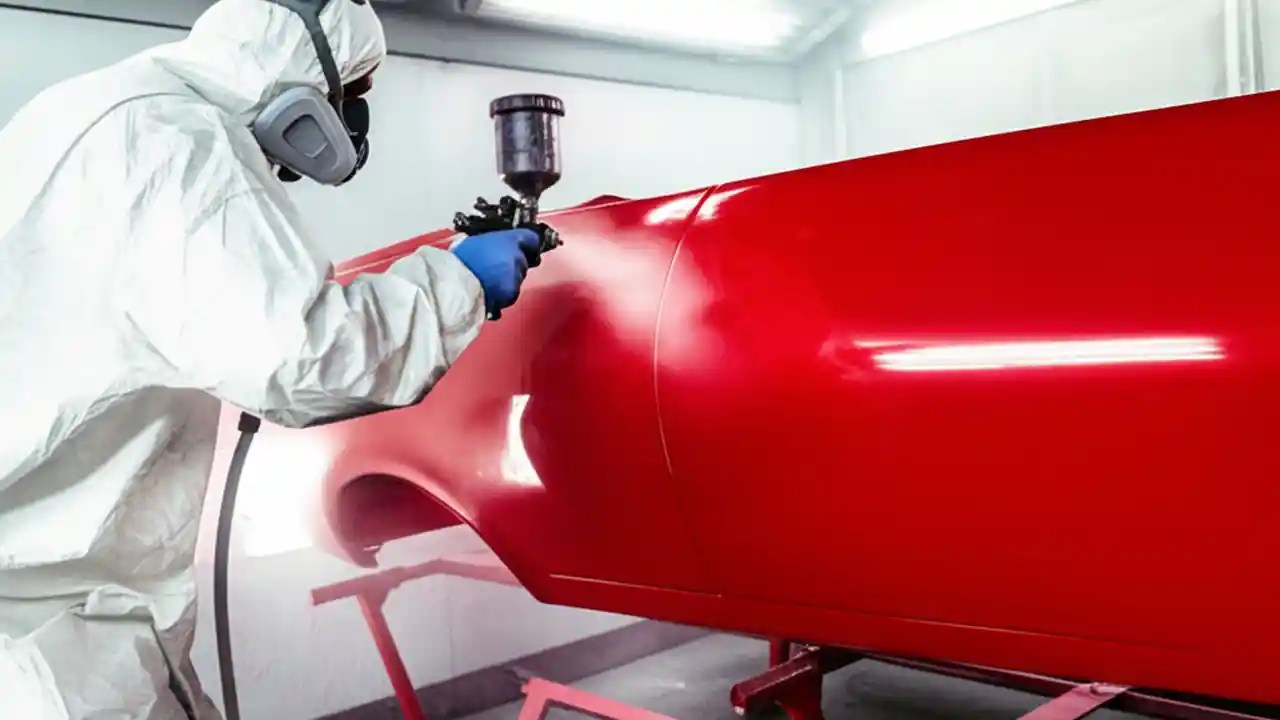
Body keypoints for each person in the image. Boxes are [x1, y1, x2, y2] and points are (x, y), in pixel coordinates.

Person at [0, 0, 542, 717]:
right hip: (48, 633)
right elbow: (305, 356)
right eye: (357, 94)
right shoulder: (177, 144)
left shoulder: (89, 110)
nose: (355, 122)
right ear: (304, 82)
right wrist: (459, 282)